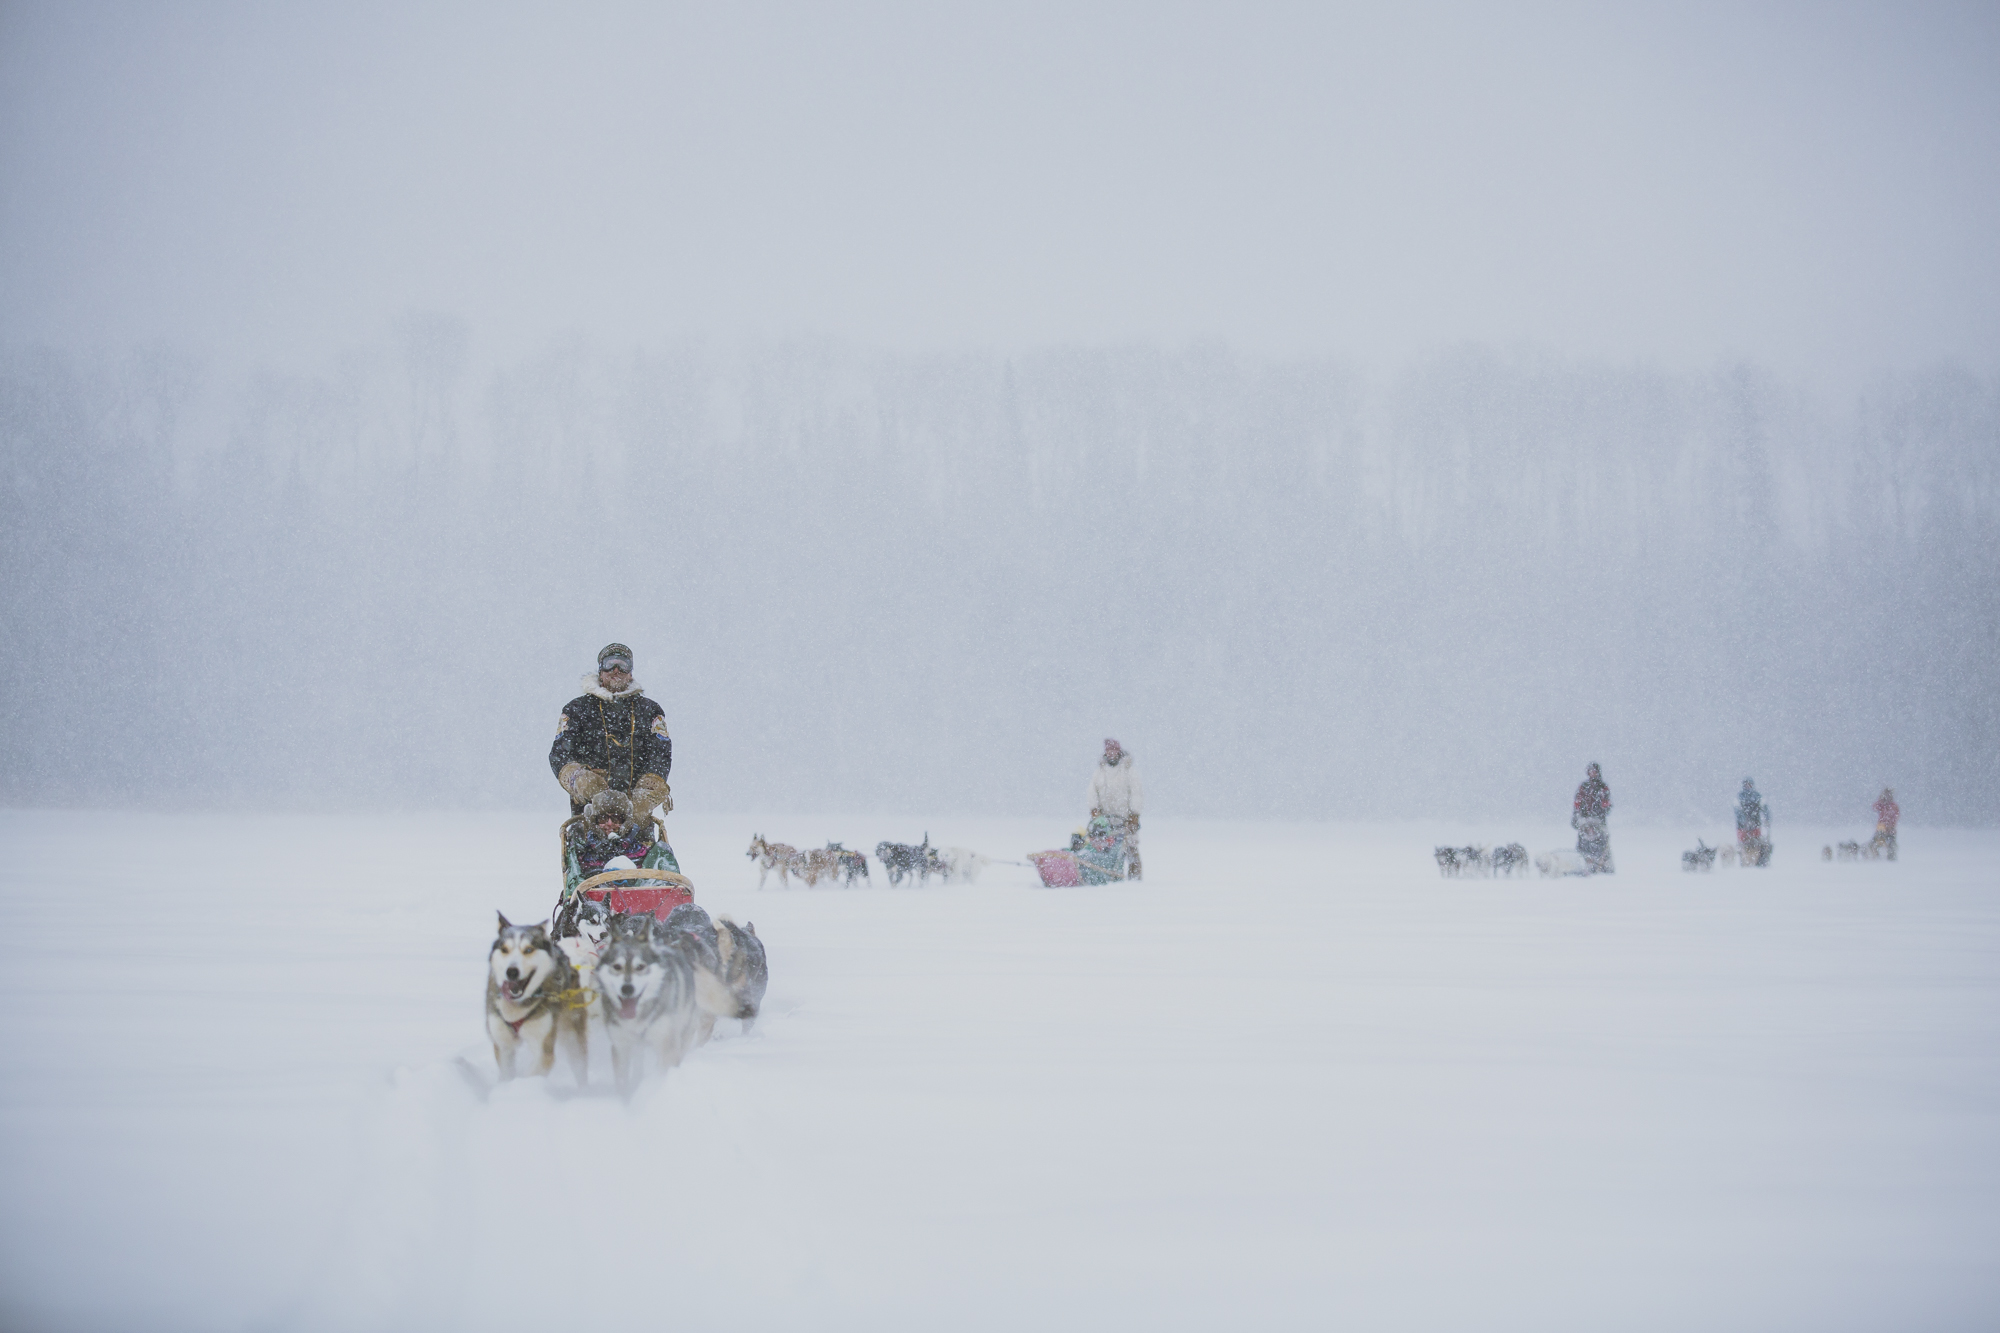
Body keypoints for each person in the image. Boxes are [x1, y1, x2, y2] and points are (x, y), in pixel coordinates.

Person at [549, 643, 673, 821]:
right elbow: (560, 753)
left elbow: (660, 754)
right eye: (610, 664)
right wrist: (579, 779)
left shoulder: (650, 711)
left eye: (623, 665)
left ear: (630, 673)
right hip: (588, 813)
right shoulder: (577, 709)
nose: (616, 670)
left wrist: (648, 788)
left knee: (652, 849)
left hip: (636, 814)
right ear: (600, 671)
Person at [1087, 737, 1144, 880]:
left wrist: (1134, 815)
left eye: (1114, 750)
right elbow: (1092, 792)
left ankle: (1135, 879)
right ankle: (1106, 876)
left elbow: (1136, 793)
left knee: (1130, 848)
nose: (1111, 753)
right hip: (1104, 821)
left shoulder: (1129, 770)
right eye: (1109, 750)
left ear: (1119, 751)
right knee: (1103, 849)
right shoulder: (1099, 772)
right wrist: (1094, 810)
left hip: (1125, 819)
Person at [1571, 762, 1614, 873]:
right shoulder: (1584, 786)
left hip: (1598, 819)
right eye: (1590, 771)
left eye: (1594, 771)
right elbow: (1578, 801)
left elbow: (1606, 802)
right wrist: (1576, 815)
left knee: (1603, 841)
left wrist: (1604, 809)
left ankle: (1605, 866)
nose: (1592, 773)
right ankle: (1582, 864)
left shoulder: (1602, 787)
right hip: (1585, 818)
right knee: (1583, 841)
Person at [1736, 778, 1772, 867]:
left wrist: (1767, 818)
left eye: (1749, 784)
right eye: (1746, 784)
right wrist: (1743, 820)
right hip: (1742, 826)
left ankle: (1758, 860)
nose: (1748, 786)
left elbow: (1764, 808)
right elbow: (1737, 810)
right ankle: (1744, 861)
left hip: (1755, 824)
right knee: (1743, 844)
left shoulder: (1757, 796)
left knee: (1756, 843)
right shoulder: (1739, 797)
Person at [1871, 787, 1899, 861]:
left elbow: (1896, 816)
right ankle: (1875, 856)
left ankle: (1891, 857)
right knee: (1876, 842)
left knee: (1891, 843)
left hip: (1890, 827)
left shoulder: (1893, 806)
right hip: (1881, 826)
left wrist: (1891, 825)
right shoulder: (1881, 804)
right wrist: (1881, 801)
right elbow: (1874, 807)